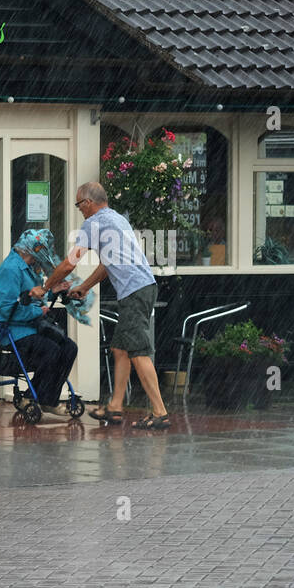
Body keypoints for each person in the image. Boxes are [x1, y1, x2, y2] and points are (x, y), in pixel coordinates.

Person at [64, 181, 170, 428]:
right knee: (121, 349)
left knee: (138, 352)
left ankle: (160, 412)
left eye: (79, 204)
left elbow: (70, 263)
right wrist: (85, 286)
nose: (79, 209)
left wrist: (47, 286)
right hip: (142, 288)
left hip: (134, 291)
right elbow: (106, 265)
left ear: (89, 203)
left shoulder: (94, 223)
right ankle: (115, 407)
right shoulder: (117, 220)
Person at [0, 228, 77, 416]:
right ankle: (37, 396)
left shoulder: (29, 267)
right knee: (51, 350)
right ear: (31, 249)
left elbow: (36, 296)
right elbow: (5, 310)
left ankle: (46, 398)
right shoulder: (10, 269)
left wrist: (54, 291)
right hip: (12, 328)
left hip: (31, 325)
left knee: (69, 347)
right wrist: (36, 311)